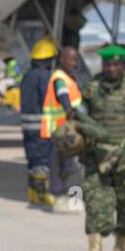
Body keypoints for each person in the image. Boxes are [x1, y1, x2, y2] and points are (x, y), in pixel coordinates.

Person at [73, 44, 125, 251]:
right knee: (95, 200)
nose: (111, 68)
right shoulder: (92, 88)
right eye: (108, 64)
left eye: (116, 64)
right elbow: (80, 116)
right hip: (98, 155)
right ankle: (94, 250)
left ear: (122, 65)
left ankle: (121, 245)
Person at [40, 44, 84, 213]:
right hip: (62, 131)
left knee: (64, 167)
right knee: (70, 167)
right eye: (70, 59)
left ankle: (64, 200)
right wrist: (68, 110)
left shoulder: (68, 77)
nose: (73, 62)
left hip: (65, 130)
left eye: (75, 59)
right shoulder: (60, 78)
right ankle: (66, 201)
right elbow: (62, 95)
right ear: (62, 59)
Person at [19, 38, 59, 207]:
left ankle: (32, 193)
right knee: (42, 161)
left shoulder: (27, 76)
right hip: (41, 126)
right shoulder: (45, 77)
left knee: (32, 159)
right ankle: (43, 194)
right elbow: (48, 99)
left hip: (27, 125)